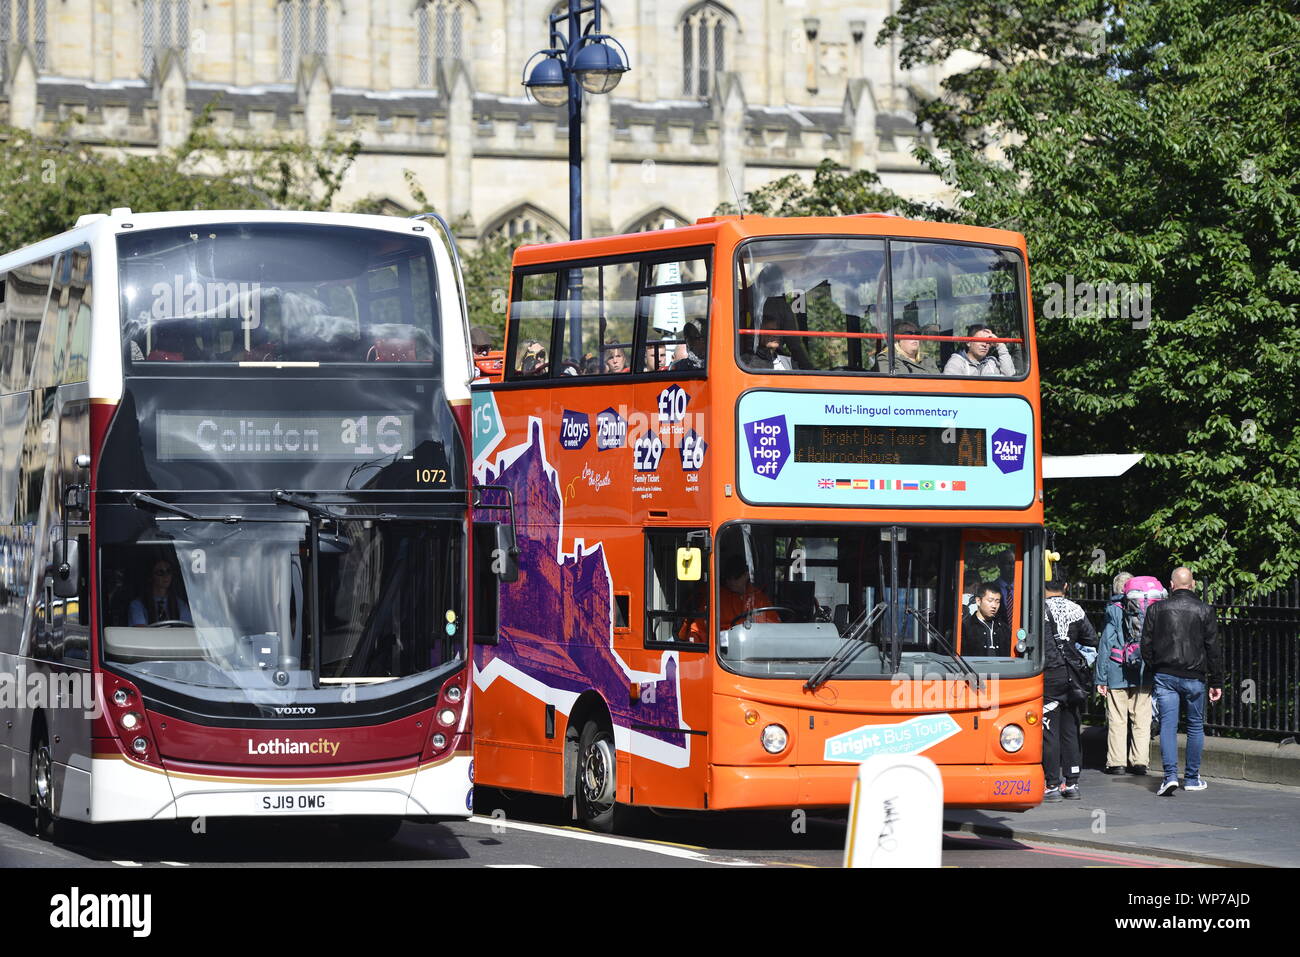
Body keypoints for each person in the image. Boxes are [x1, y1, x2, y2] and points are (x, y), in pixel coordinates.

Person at [1141, 567, 1224, 796]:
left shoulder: (1156, 609)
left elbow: (1145, 645)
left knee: (1168, 725)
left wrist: (1155, 667)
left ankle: (1169, 776)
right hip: (1195, 676)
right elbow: (1213, 649)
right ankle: (1191, 778)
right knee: (1195, 726)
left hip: (1165, 674)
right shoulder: (1205, 610)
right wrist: (1216, 681)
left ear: (1171, 584)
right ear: (1193, 584)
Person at [1042, 577, 1097, 802]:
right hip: (1072, 678)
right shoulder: (1076, 609)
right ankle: (1072, 782)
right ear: (1066, 586)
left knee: (1049, 732)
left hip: (1049, 676)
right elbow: (1092, 639)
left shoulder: (1039, 610)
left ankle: (1052, 784)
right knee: (1071, 730)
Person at [1095, 570, 1152, 775]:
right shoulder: (1146, 608)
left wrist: (1100, 678)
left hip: (1117, 669)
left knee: (1118, 718)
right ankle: (1140, 762)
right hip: (1143, 671)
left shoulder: (1114, 609)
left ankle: (1117, 762)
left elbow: (1106, 643)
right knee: (1142, 718)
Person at [718, 556, 778, 629]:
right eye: (728, 577)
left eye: (736, 577)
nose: (731, 581)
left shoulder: (760, 599)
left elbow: (774, 626)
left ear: (746, 575)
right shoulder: (717, 598)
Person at [127, 559, 193, 625]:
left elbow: (187, 629)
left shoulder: (181, 605)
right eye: (160, 572)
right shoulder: (137, 605)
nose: (166, 575)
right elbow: (141, 632)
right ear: (150, 576)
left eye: (168, 571)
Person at [942, 324, 1016, 376]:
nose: (984, 344)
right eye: (980, 340)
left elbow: (1009, 376)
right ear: (968, 342)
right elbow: (951, 388)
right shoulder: (956, 362)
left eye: (988, 341)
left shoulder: (992, 363)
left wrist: (1000, 345)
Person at [961, 583, 1011, 656]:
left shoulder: (1003, 628)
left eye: (997, 602)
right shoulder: (966, 627)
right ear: (978, 601)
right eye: (990, 601)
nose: (994, 606)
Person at [875, 319, 939, 374]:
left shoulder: (927, 359)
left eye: (917, 334)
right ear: (897, 339)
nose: (915, 337)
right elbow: (897, 384)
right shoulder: (887, 359)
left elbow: (940, 381)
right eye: (908, 334)